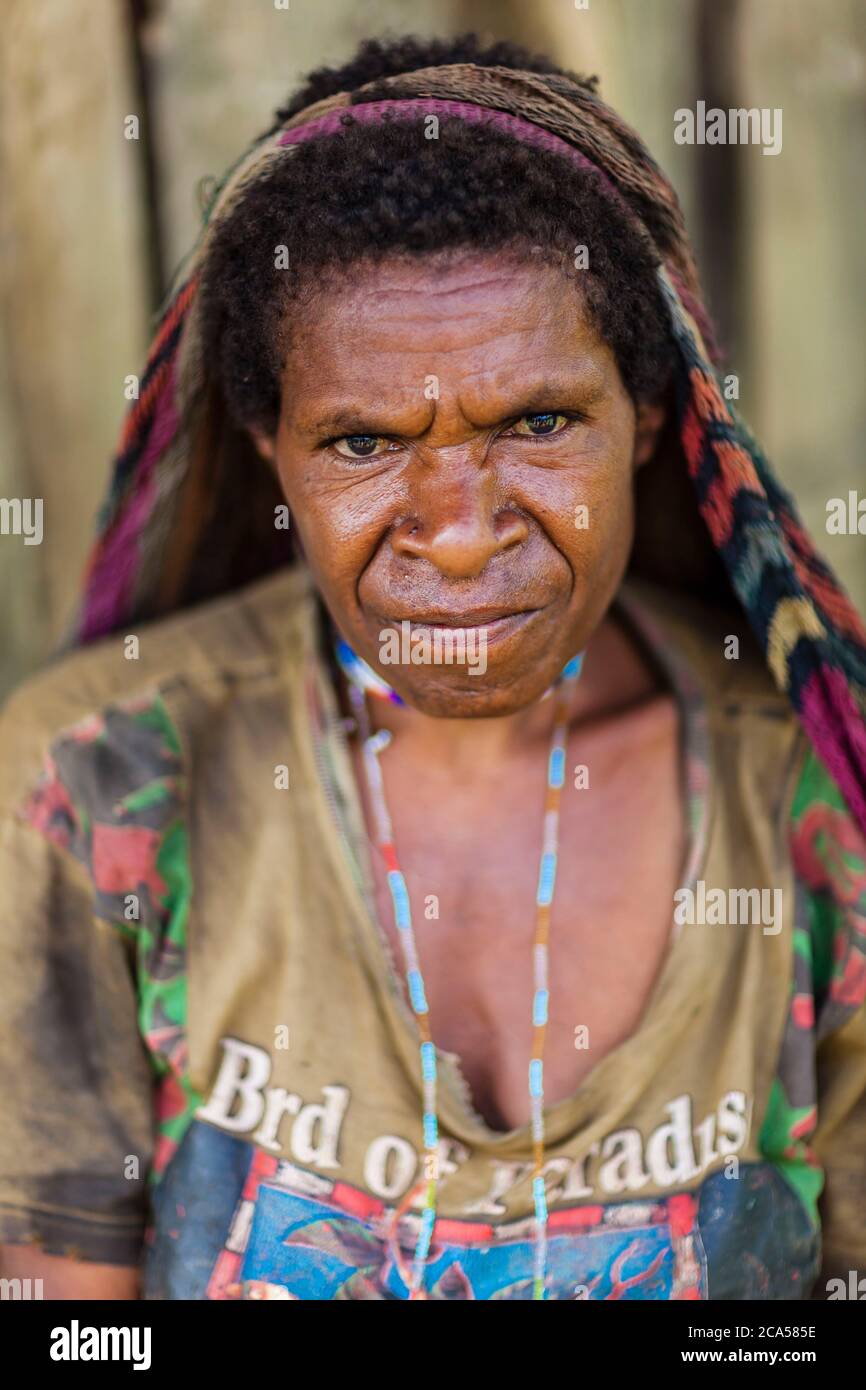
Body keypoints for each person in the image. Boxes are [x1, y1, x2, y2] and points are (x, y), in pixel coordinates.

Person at [1, 34, 865, 1302]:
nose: (458, 527)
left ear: (644, 417)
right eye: (362, 441)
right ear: (269, 451)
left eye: (535, 422)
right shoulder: (90, 780)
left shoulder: (815, 795)